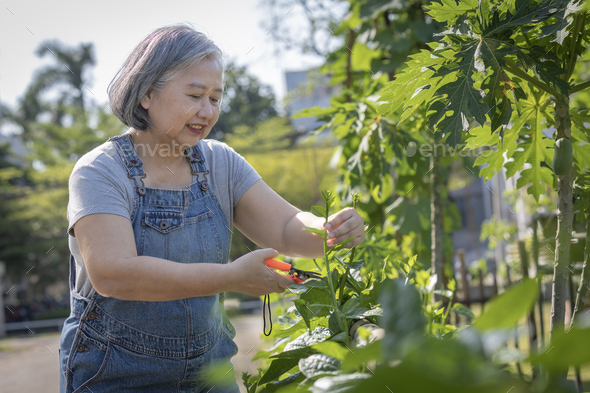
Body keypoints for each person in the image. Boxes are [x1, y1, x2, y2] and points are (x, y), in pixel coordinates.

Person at [58, 23, 365, 393]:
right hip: (115, 376)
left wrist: (328, 228)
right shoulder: (100, 171)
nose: (207, 111)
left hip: (210, 372)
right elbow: (113, 274)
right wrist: (231, 276)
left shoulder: (221, 163)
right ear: (146, 94)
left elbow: (285, 227)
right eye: (194, 95)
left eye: (215, 98)